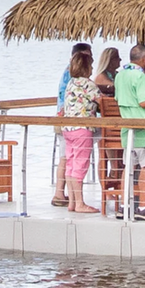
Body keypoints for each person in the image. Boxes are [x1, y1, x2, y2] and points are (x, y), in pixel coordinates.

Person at [114, 43, 145, 221]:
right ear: (144, 58)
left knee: (128, 167)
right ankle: (143, 207)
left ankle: (123, 205)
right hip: (144, 129)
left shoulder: (120, 75)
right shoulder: (139, 76)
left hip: (128, 128)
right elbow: (144, 102)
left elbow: (119, 99)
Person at [53, 42, 92, 206]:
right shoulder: (76, 77)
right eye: (89, 57)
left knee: (68, 159)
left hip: (66, 122)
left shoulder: (70, 77)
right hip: (74, 123)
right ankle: (61, 194)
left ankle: (70, 199)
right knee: (68, 159)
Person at [61, 51, 101, 213]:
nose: (92, 68)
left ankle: (72, 202)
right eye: (90, 65)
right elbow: (100, 101)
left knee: (71, 165)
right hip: (82, 129)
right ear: (86, 67)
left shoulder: (71, 83)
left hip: (68, 128)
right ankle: (80, 203)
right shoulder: (88, 84)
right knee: (80, 165)